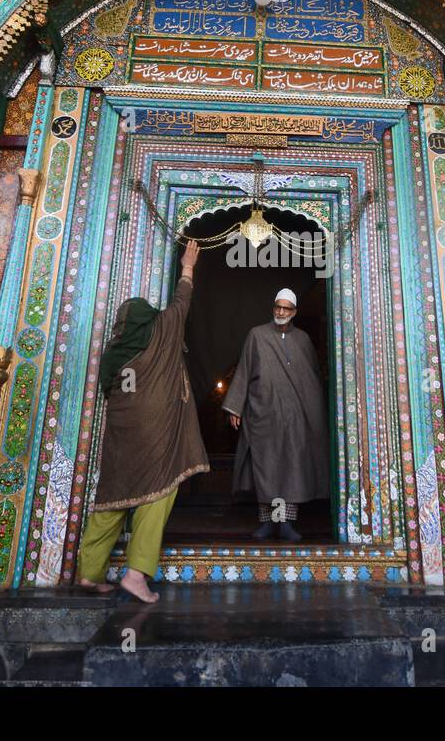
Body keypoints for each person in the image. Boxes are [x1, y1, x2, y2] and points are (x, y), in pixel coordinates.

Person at [76, 241, 209, 602]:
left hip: (122, 438)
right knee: (158, 492)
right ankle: (136, 574)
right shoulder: (162, 331)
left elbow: (108, 393)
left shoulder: (113, 354)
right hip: (156, 436)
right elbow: (182, 304)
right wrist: (188, 267)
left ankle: (89, 573)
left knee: (113, 497)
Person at [222, 287, 328, 541]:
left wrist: (315, 413)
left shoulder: (302, 339)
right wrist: (236, 406)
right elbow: (245, 371)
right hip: (263, 414)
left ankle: (287, 523)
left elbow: (311, 379)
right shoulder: (257, 335)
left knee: (292, 469)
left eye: (286, 309)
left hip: (294, 419)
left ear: (294, 312)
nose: (281, 312)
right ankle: (268, 523)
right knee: (267, 469)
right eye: (277, 307)